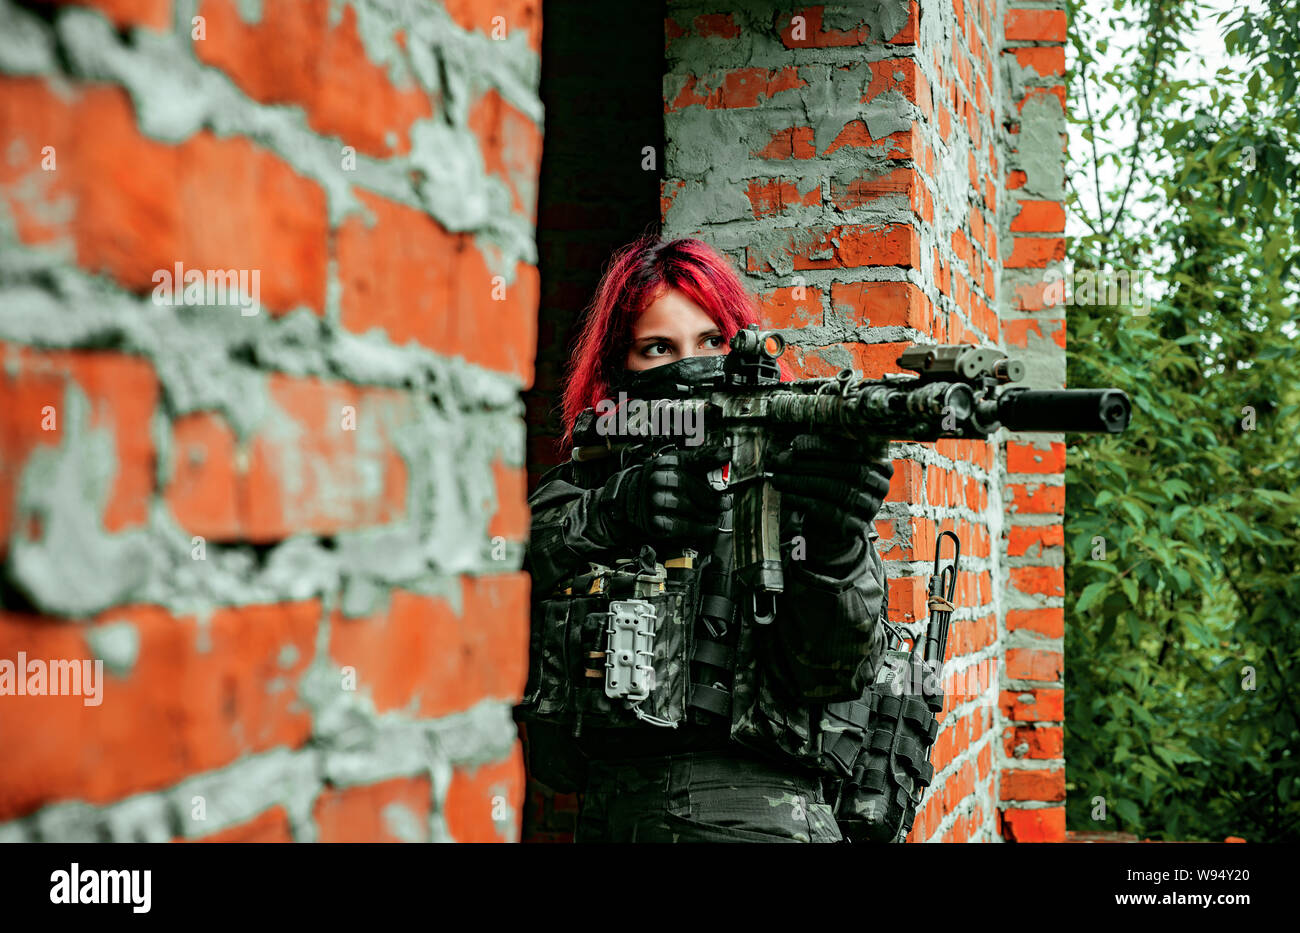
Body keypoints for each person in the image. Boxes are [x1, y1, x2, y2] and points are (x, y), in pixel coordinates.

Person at [517, 236, 895, 843]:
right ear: (620, 368)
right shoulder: (595, 473)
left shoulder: (789, 474)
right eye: (658, 348)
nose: (691, 365)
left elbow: (837, 671)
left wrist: (833, 547)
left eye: (712, 341)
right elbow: (512, 567)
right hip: (623, 812)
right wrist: (623, 505)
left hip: (773, 813)